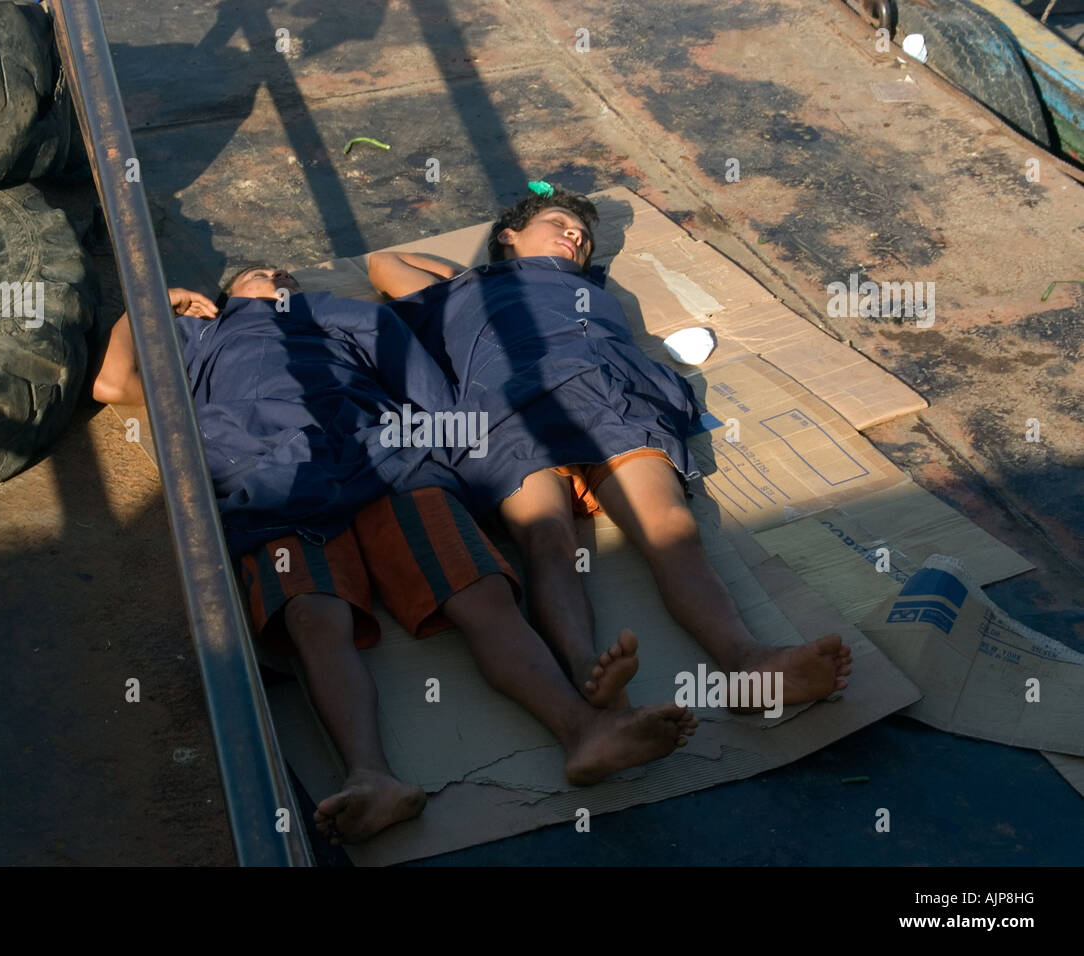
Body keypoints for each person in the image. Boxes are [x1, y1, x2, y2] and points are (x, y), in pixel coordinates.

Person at [90, 265, 697, 845]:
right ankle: (371, 777)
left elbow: (429, 399)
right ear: (223, 296)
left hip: (388, 457)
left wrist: (479, 475)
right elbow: (112, 385)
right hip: (272, 479)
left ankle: (584, 728)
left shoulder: (340, 314)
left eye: (287, 277)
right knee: (312, 619)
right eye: (260, 275)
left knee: (478, 589)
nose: (278, 278)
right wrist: (154, 302)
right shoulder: (201, 338)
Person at [368, 186, 852, 712]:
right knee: (547, 539)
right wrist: (470, 274)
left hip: (611, 388)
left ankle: (747, 663)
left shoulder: (588, 286)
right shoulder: (463, 289)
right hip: (508, 403)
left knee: (672, 528)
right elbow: (383, 263)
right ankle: (585, 669)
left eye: (584, 235)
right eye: (559, 222)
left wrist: (521, 252)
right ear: (509, 234)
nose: (576, 235)